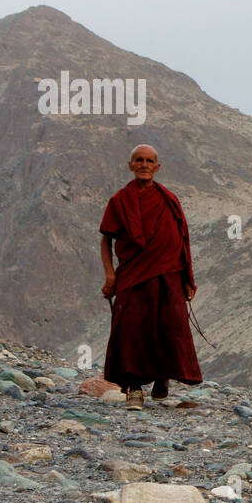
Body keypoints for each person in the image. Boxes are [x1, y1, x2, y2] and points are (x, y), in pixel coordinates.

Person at [99, 144, 202, 410]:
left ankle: (162, 377)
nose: (144, 165)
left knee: (169, 326)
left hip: (168, 275)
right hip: (133, 275)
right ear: (131, 165)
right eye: (139, 160)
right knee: (131, 329)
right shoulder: (119, 201)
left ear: (157, 167)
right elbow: (106, 239)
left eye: (150, 161)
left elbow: (182, 241)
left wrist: (187, 278)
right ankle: (133, 389)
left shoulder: (169, 200)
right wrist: (110, 275)